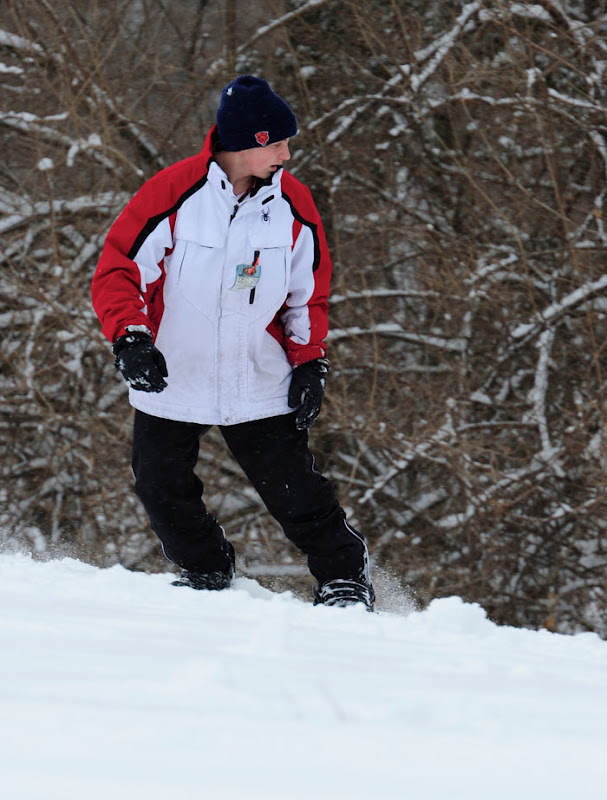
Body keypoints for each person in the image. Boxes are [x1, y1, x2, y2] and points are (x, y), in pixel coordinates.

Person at [91, 75, 374, 610]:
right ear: (246, 143)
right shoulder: (174, 192)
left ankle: (345, 581)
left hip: (256, 372)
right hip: (176, 370)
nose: (286, 155)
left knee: (295, 490)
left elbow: (307, 292)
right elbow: (119, 270)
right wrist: (130, 339)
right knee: (159, 486)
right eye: (278, 144)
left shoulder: (293, 202)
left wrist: (309, 362)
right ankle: (206, 569)